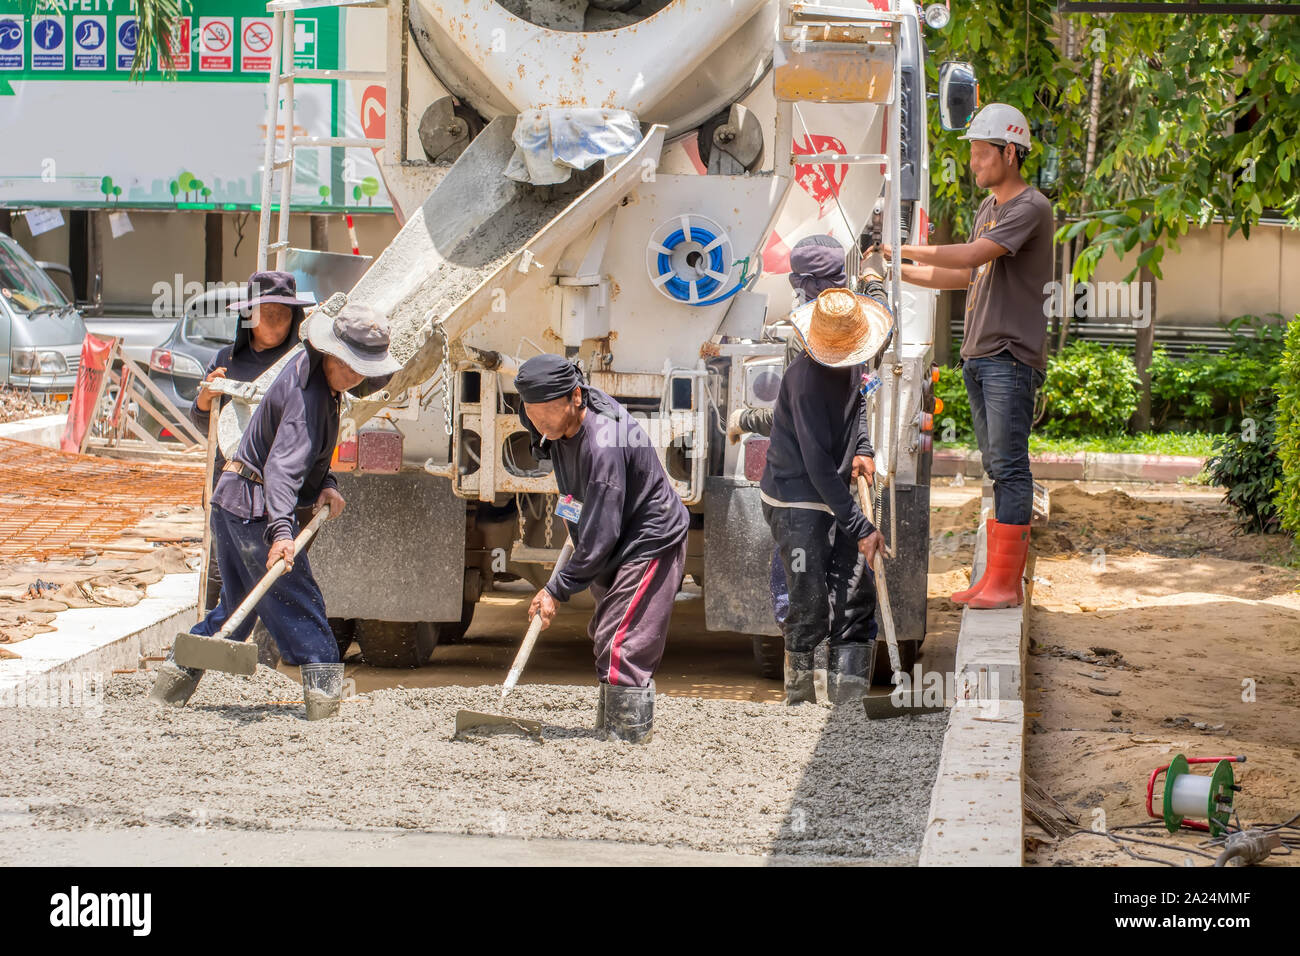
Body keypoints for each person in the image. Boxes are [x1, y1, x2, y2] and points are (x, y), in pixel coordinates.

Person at [150, 304, 401, 718]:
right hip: (253, 509)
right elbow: (282, 471)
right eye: (353, 366)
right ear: (332, 353)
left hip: (234, 501)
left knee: (234, 611)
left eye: (365, 369)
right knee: (306, 611)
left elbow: (307, 463)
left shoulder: (320, 380)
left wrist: (327, 484)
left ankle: (168, 689)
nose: (359, 376)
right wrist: (282, 534)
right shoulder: (308, 398)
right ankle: (324, 712)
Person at [880, 103, 1053, 609]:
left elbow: (972, 256)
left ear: (1010, 152)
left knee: (1011, 468)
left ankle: (1004, 585)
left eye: (981, 153)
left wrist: (903, 248)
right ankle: (995, 578)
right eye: (973, 153)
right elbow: (962, 276)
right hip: (981, 356)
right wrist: (896, 269)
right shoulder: (989, 210)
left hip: (1008, 356)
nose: (974, 163)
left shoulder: (1029, 207)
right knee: (997, 469)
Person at [516, 354, 690, 744]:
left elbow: (600, 538)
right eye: (530, 413)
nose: (538, 423)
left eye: (546, 413)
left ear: (575, 397)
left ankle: (625, 739)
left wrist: (555, 589)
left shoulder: (603, 441)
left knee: (621, 641)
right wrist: (572, 510)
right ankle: (610, 729)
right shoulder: (554, 417)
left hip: (648, 540)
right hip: (610, 535)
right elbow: (585, 513)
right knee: (605, 632)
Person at [760, 262, 891, 706]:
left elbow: (857, 408)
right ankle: (801, 701)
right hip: (796, 497)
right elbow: (816, 468)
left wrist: (865, 449)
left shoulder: (853, 355)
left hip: (836, 487)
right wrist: (861, 527)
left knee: (856, 592)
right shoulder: (806, 381)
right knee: (809, 599)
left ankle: (848, 706)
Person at [190, 272, 314, 664]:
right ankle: (210, 662)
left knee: (279, 579)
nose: (274, 321)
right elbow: (202, 422)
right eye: (266, 312)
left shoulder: (303, 363)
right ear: (249, 317)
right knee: (222, 578)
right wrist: (208, 396)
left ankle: (265, 668)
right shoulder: (226, 361)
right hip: (231, 488)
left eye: (282, 313)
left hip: (283, 490)